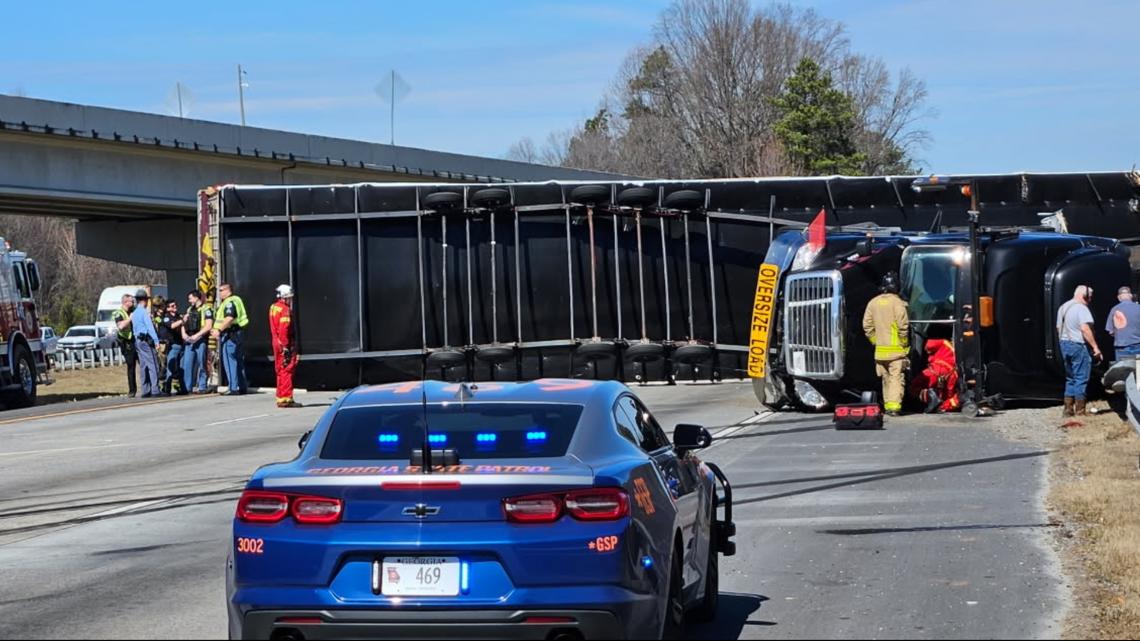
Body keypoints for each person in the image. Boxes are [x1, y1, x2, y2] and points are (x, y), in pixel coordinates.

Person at [863, 271, 910, 416]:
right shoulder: (898, 303)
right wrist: (904, 343)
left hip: (880, 352)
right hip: (896, 352)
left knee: (886, 380)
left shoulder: (873, 303)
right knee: (896, 379)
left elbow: (867, 326)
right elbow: (903, 327)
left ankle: (888, 405)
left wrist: (876, 342)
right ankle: (894, 408)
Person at [1057, 285, 1103, 416]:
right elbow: (1085, 329)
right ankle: (1080, 411)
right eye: (1090, 297)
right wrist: (1095, 347)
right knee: (1081, 378)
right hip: (1078, 345)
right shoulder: (1082, 308)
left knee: (1070, 377)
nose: (1090, 299)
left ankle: (1067, 409)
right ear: (1084, 295)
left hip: (1064, 344)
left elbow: (1057, 327)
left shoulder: (1063, 307)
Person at [211, 282, 249, 395]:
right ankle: (242, 386)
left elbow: (229, 318)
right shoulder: (236, 300)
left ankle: (233, 387)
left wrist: (218, 330)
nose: (220, 293)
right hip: (238, 333)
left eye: (221, 290)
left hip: (230, 334)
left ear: (228, 290)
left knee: (230, 361)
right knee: (238, 361)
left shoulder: (229, 302)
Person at [908, 333, 960, 413]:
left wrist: (928, 351)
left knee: (913, 388)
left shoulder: (945, 344)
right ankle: (938, 404)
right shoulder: (960, 353)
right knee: (946, 395)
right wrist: (943, 407)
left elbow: (929, 344)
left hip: (936, 370)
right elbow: (951, 395)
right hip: (951, 375)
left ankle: (930, 396)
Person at [270, 284, 300, 408]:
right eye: (289, 298)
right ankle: (286, 399)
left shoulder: (273, 307)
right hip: (284, 343)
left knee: (280, 369)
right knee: (287, 369)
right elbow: (284, 329)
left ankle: (280, 396)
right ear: (284, 297)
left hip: (276, 342)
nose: (291, 300)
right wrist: (287, 346)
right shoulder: (285, 310)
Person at [181, 290, 215, 394]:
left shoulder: (207, 309)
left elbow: (208, 325)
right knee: (187, 364)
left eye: (190, 298)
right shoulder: (189, 309)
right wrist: (184, 334)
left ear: (196, 298)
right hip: (189, 339)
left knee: (202, 363)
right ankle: (187, 388)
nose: (189, 300)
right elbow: (183, 323)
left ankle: (202, 387)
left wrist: (197, 335)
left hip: (201, 340)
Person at [131, 289, 162, 398]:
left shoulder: (134, 313)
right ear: (145, 300)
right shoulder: (144, 312)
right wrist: (156, 341)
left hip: (138, 341)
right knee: (153, 364)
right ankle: (155, 389)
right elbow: (150, 328)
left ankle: (145, 389)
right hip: (145, 340)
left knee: (143, 365)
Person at [112, 293, 137, 398]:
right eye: (131, 301)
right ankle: (132, 390)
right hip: (126, 342)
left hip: (135, 340)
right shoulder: (119, 313)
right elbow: (121, 326)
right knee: (131, 366)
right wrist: (130, 319)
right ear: (125, 302)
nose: (133, 303)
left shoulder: (133, 311)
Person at [159, 298, 186, 395]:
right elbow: (172, 326)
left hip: (181, 344)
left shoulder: (178, 316)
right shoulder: (166, 317)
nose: (175, 307)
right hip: (172, 345)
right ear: (167, 308)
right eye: (172, 306)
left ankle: (182, 388)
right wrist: (182, 320)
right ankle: (167, 387)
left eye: (175, 305)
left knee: (181, 367)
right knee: (171, 366)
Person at [1105, 286, 1140, 358]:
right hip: (1138, 345)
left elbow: (1111, 332)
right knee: (1138, 368)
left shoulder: (1114, 310)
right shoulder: (1139, 308)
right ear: (1131, 296)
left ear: (1119, 297)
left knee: (1123, 369)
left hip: (1121, 348)